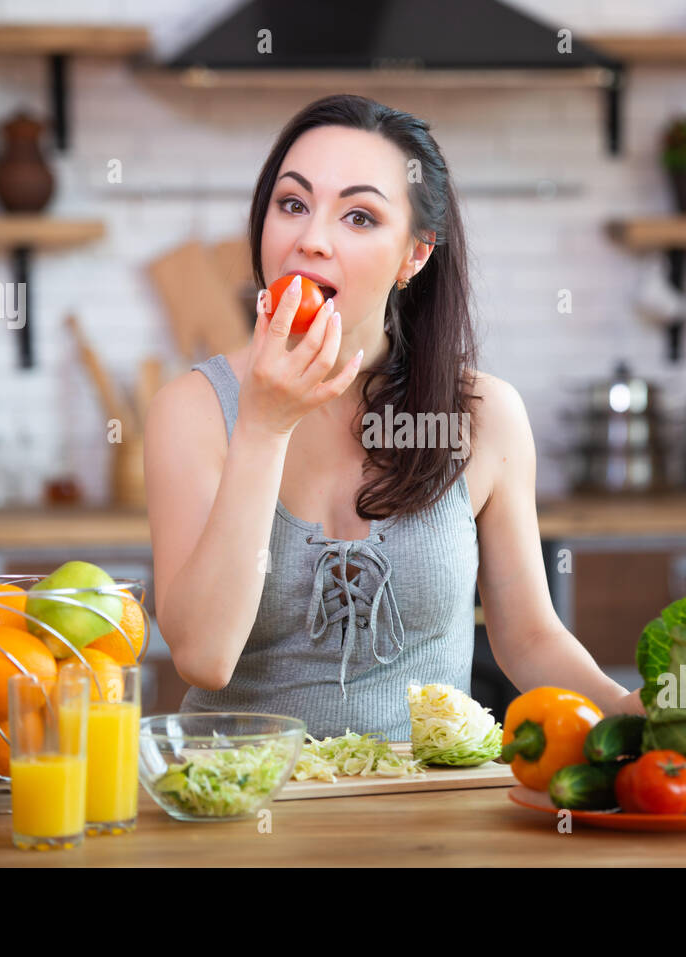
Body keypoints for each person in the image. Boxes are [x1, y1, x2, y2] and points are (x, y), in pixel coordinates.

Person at [145, 93, 644, 740]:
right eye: (292, 205)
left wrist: (622, 708)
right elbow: (203, 657)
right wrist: (264, 427)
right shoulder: (192, 410)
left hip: (424, 815)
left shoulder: (485, 418)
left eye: (358, 217)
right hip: (241, 806)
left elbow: (527, 636)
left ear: (414, 254)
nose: (311, 240)